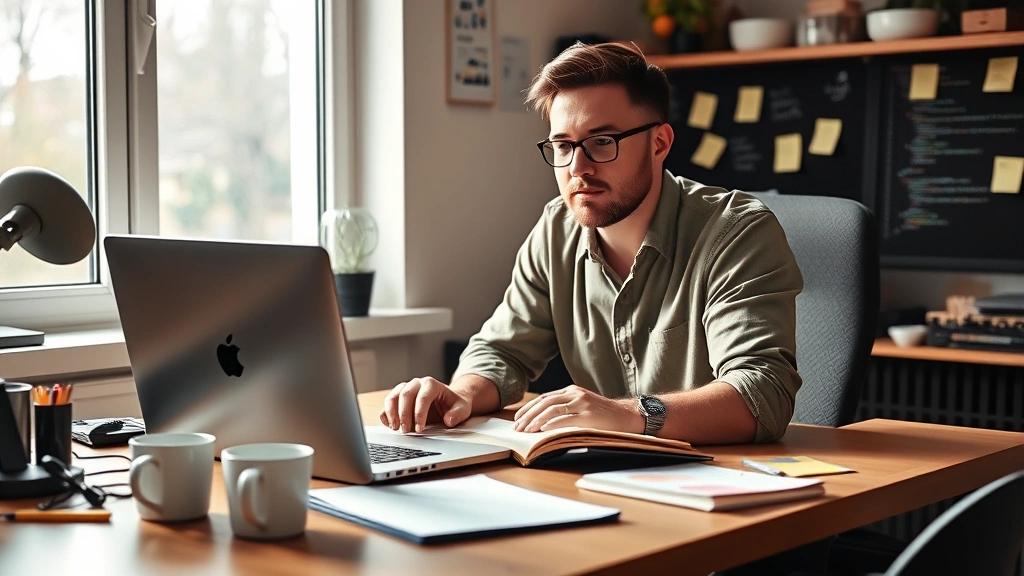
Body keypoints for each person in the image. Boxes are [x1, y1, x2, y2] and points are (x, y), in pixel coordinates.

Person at [380, 42, 802, 445]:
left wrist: (629, 415)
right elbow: (501, 349)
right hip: (606, 479)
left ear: (660, 143)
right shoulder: (556, 230)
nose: (577, 168)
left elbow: (762, 394)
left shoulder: (737, 232)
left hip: (725, 481)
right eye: (563, 145)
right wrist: (464, 394)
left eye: (602, 142)